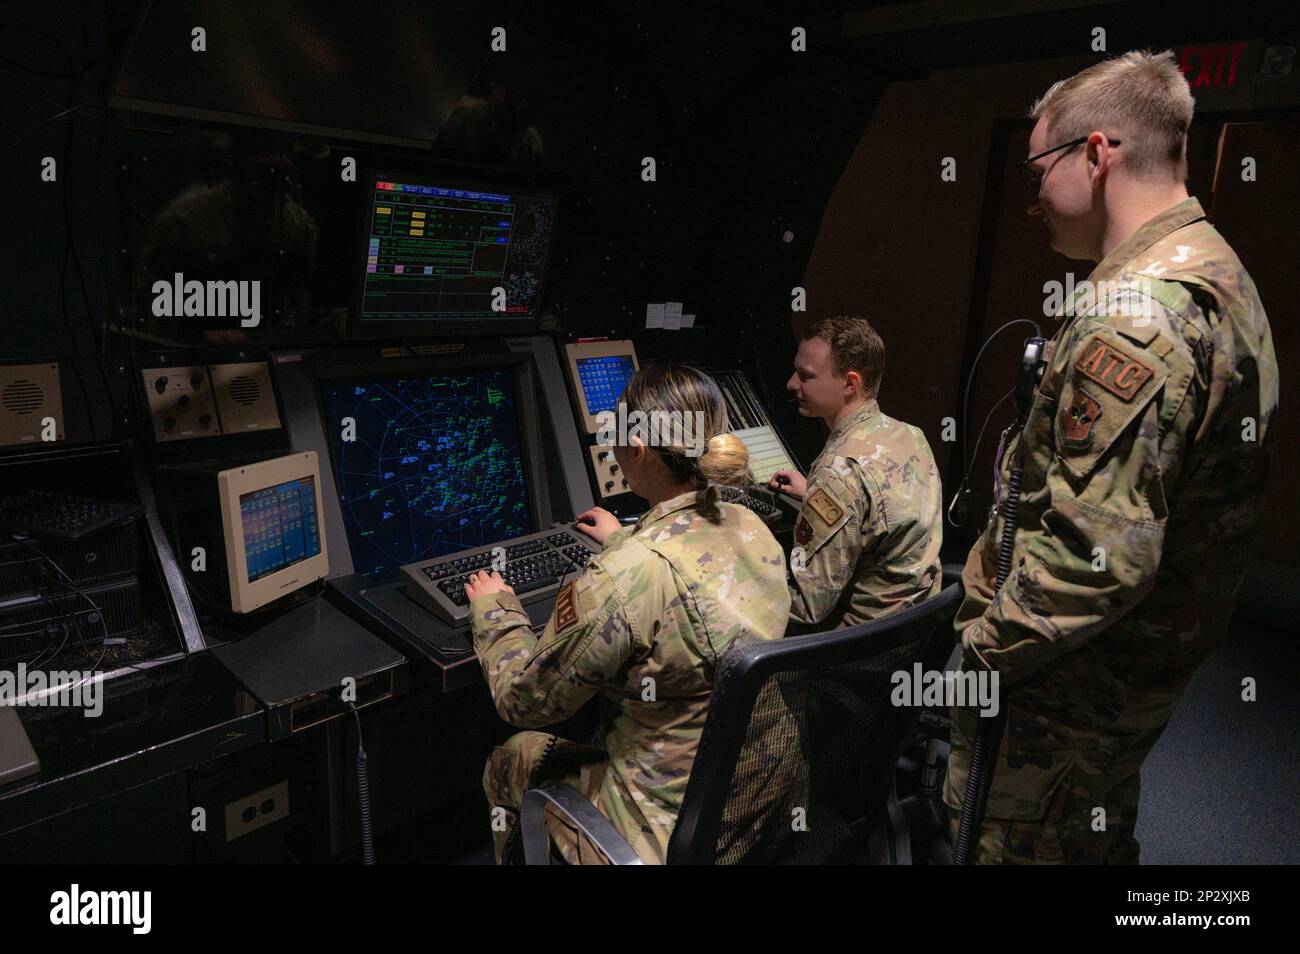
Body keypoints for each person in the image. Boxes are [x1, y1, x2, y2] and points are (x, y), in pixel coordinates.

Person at [944, 50, 1278, 864]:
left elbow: (1096, 563)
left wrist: (977, 654)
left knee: (1014, 844)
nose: (1032, 202)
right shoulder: (1214, 269)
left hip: (1068, 682)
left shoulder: (1134, 318)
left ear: (1096, 155)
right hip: (1130, 671)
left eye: (1037, 172)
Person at [465, 364, 791, 863]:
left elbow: (523, 702)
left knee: (514, 754)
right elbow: (688, 575)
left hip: (662, 830)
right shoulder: (753, 525)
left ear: (636, 449)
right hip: (756, 800)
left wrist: (496, 611)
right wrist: (625, 540)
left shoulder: (624, 577)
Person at [767, 316, 943, 630]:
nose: (791, 384)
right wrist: (814, 494)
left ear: (850, 383)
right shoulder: (910, 435)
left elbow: (809, 607)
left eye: (805, 376)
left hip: (852, 655)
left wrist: (744, 571)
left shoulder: (839, 471)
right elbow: (881, 515)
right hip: (910, 630)